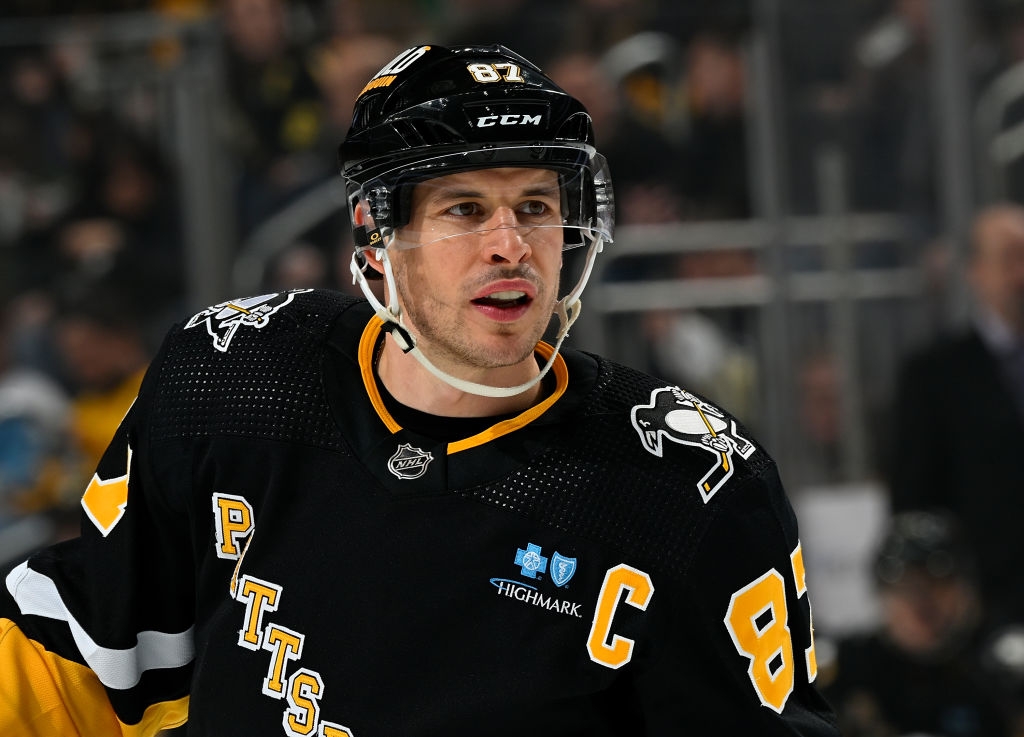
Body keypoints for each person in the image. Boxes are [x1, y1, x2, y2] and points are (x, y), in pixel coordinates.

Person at [0, 43, 840, 735]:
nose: (511, 245)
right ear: (376, 238)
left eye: (536, 206)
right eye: (466, 209)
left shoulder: (687, 487)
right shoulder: (237, 376)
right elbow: (71, 662)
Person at [887, 202, 1024, 623]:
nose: (1022, 274)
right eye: (1009, 258)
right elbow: (913, 495)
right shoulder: (934, 375)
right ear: (976, 271)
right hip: (980, 605)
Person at [819, 510, 1021, 737]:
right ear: (881, 595)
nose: (921, 605)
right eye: (905, 588)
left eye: (936, 585)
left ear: (966, 592)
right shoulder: (846, 669)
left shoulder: (1004, 670)